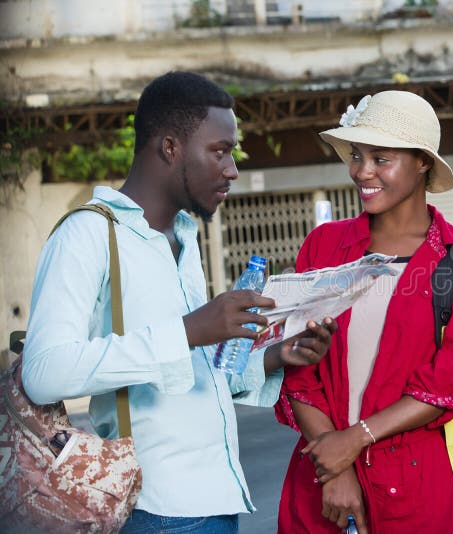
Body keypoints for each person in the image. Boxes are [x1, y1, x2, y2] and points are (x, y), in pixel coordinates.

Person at [21, 71, 336, 533]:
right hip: (154, 507)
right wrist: (189, 330)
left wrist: (271, 358)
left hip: (214, 499)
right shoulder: (87, 234)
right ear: (170, 148)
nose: (231, 169)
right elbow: (44, 372)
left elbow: (189, 381)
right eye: (219, 151)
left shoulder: (184, 239)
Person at [275, 90, 453, 534]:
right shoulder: (324, 246)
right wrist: (335, 468)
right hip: (319, 483)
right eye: (356, 155)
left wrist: (353, 441)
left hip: (414, 488)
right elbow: (298, 371)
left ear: (423, 163)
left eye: (381, 158)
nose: (362, 171)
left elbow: (450, 382)